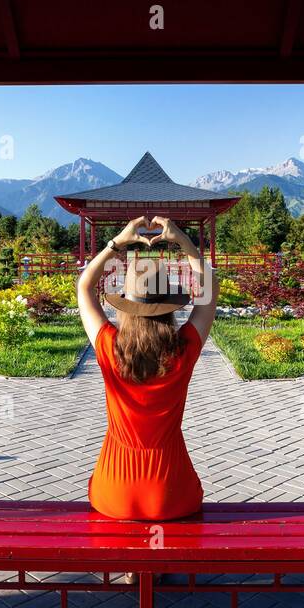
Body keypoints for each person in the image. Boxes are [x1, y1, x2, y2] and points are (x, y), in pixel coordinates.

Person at [76, 215, 218, 521]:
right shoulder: (182, 350)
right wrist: (183, 240)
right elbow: (210, 292)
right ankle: (153, 560)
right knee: (178, 508)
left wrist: (117, 242)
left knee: (114, 506)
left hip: (114, 491)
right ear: (168, 306)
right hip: (171, 492)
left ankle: (135, 565)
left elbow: (84, 287)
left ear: (126, 303)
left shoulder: (109, 347)